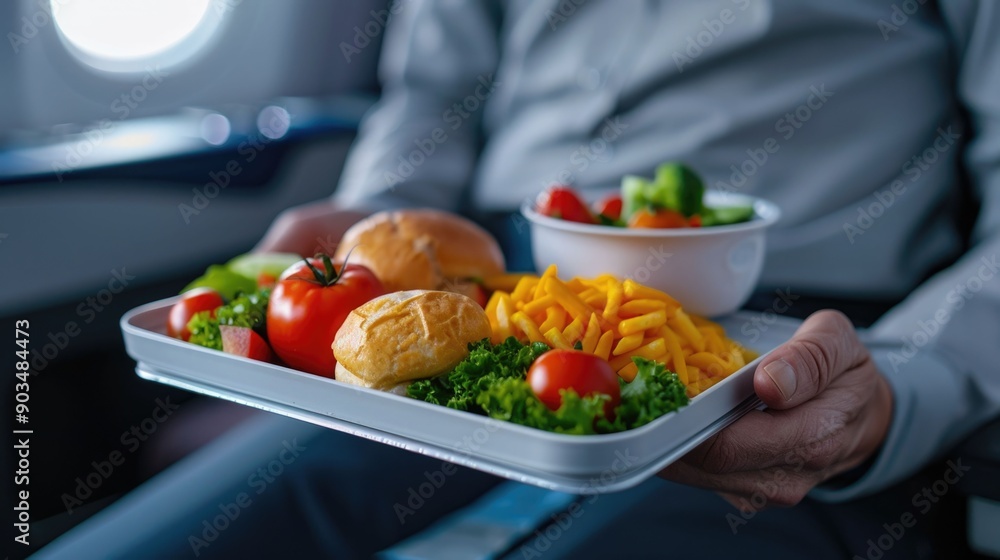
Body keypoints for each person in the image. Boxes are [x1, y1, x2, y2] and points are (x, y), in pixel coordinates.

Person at [34, 1, 1000, 558]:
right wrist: (379, 228)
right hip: (484, 300)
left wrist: (900, 393)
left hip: (800, 338)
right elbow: (435, 98)